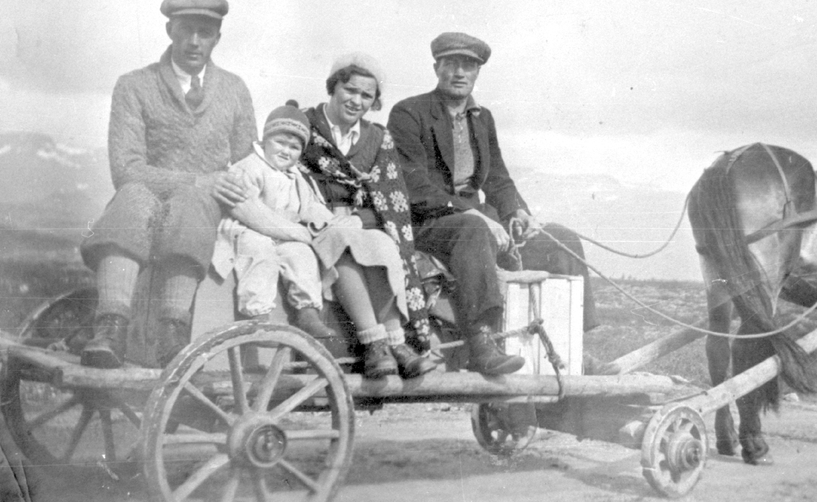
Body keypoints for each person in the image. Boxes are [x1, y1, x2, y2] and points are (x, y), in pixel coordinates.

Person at [387, 32, 597, 376]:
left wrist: (517, 212)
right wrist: (471, 213)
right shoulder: (409, 113)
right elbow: (414, 184)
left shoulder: (481, 118)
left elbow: (497, 177)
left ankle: (576, 347)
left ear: (477, 72)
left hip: (476, 224)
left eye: (468, 65)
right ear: (436, 66)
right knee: (472, 227)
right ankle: (482, 343)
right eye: (451, 63)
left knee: (562, 239)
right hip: (428, 224)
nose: (459, 72)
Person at [81, 0, 257, 369]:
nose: (195, 42)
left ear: (217, 37)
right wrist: (197, 180)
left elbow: (247, 166)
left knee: (193, 204)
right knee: (132, 196)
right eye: (186, 30)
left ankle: (173, 332)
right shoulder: (134, 85)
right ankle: (110, 328)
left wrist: (217, 190)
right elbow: (126, 168)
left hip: (205, 210)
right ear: (170, 31)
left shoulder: (235, 90)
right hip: (146, 200)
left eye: (205, 32)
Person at [298, 54, 437, 379]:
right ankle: (373, 341)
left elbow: (390, 197)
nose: (356, 100)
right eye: (350, 90)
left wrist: (360, 218)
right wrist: (327, 217)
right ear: (334, 87)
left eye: (366, 96)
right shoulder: (306, 126)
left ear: (374, 101)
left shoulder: (377, 138)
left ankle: (395, 341)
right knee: (342, 241)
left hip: (360, 222)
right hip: (312, 218)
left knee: (383, 246)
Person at [212, 102, 338, 338]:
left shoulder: (296, 177)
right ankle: (257, 316)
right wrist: (297, 232)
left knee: (302, 254)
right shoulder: (249, 167)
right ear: (265, 141)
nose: (285, 151)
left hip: (284, 236)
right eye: (279, 143)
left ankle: (307, 311)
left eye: (294, 147)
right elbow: (248, 210)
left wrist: (333, 225)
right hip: (250, 229)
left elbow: (311, 207)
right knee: (259, 252)